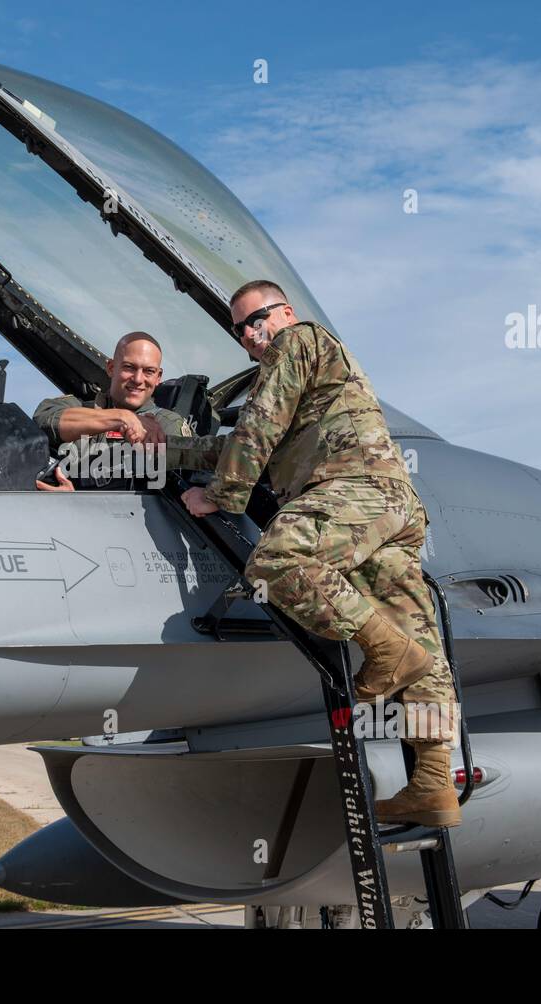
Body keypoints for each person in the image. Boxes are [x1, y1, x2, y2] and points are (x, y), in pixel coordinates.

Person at [168, 280, 461, 827]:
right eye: (240, 330)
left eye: (258, 319)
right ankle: (433, 782)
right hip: (386, 506)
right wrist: (161, 446)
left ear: (286, 312)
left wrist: (219, 495)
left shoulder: (299, 341)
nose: (251, 336)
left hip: (354, 490)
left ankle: (385, 650)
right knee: (419, 634)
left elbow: (257, 425)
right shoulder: (302, 371)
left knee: (276, 560)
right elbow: (247, 442)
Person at [34, 331, 191, 491]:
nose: (138, 379)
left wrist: (76, 501)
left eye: (148, 371)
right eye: (129, 367)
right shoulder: (77, 407)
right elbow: (43, 421)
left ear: (158, 377)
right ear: (111, 368)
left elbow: (172, 492)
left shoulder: (166, 426)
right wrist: (122, 417)